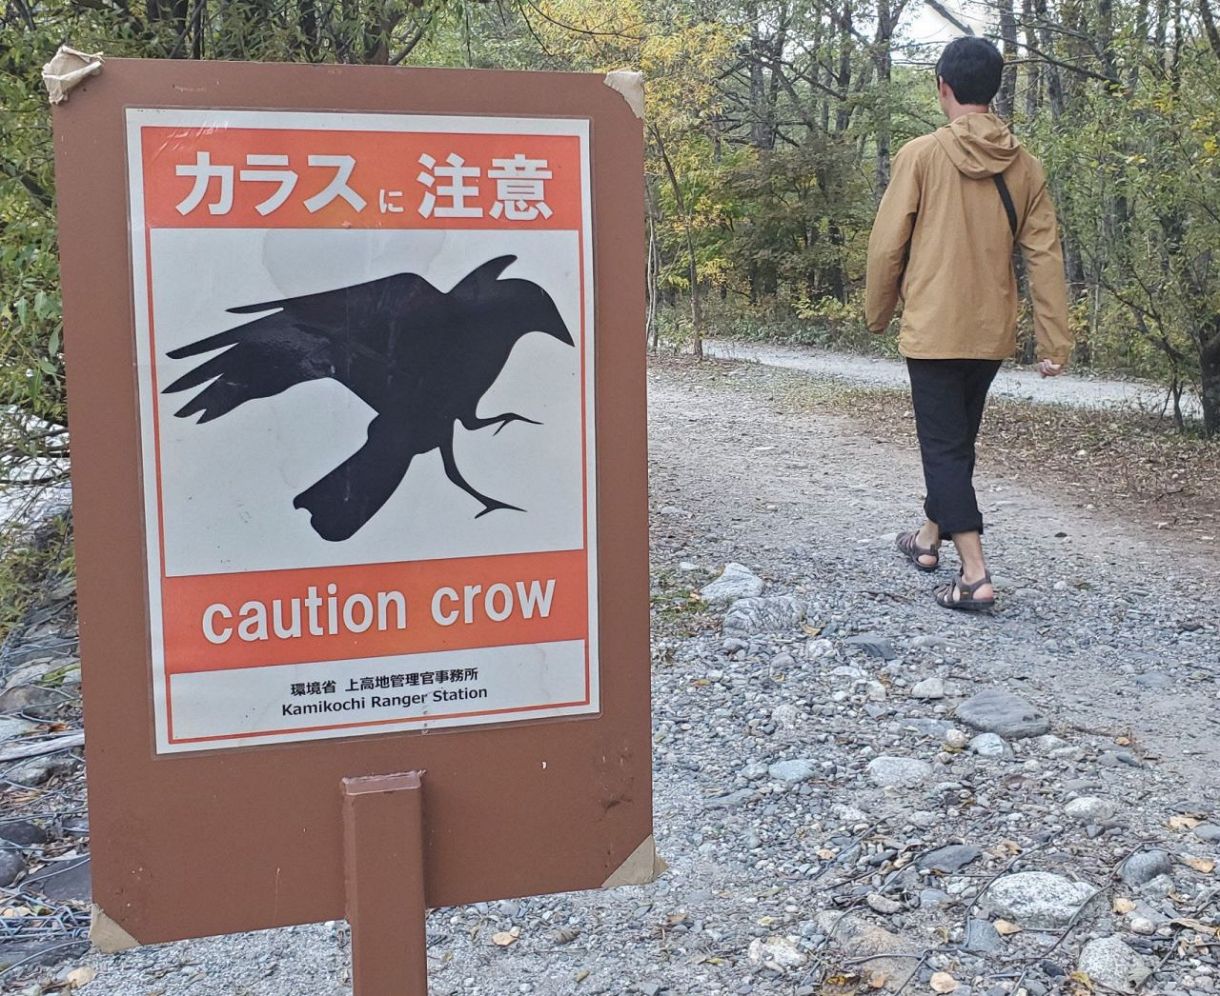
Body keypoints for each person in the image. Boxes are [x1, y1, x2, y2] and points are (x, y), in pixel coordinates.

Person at [865, 35, 1072, 612]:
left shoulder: (920, 155)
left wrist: (878, 311)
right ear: (993, 90)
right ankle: (928, 539)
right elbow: (1045, 257)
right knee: (956, 442)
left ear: (943, 87)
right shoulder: (1026, 166)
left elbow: (886, 247)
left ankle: (975, 575)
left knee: (944, 448)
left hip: (933, 328)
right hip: (989, 331)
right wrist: (1054, 341)